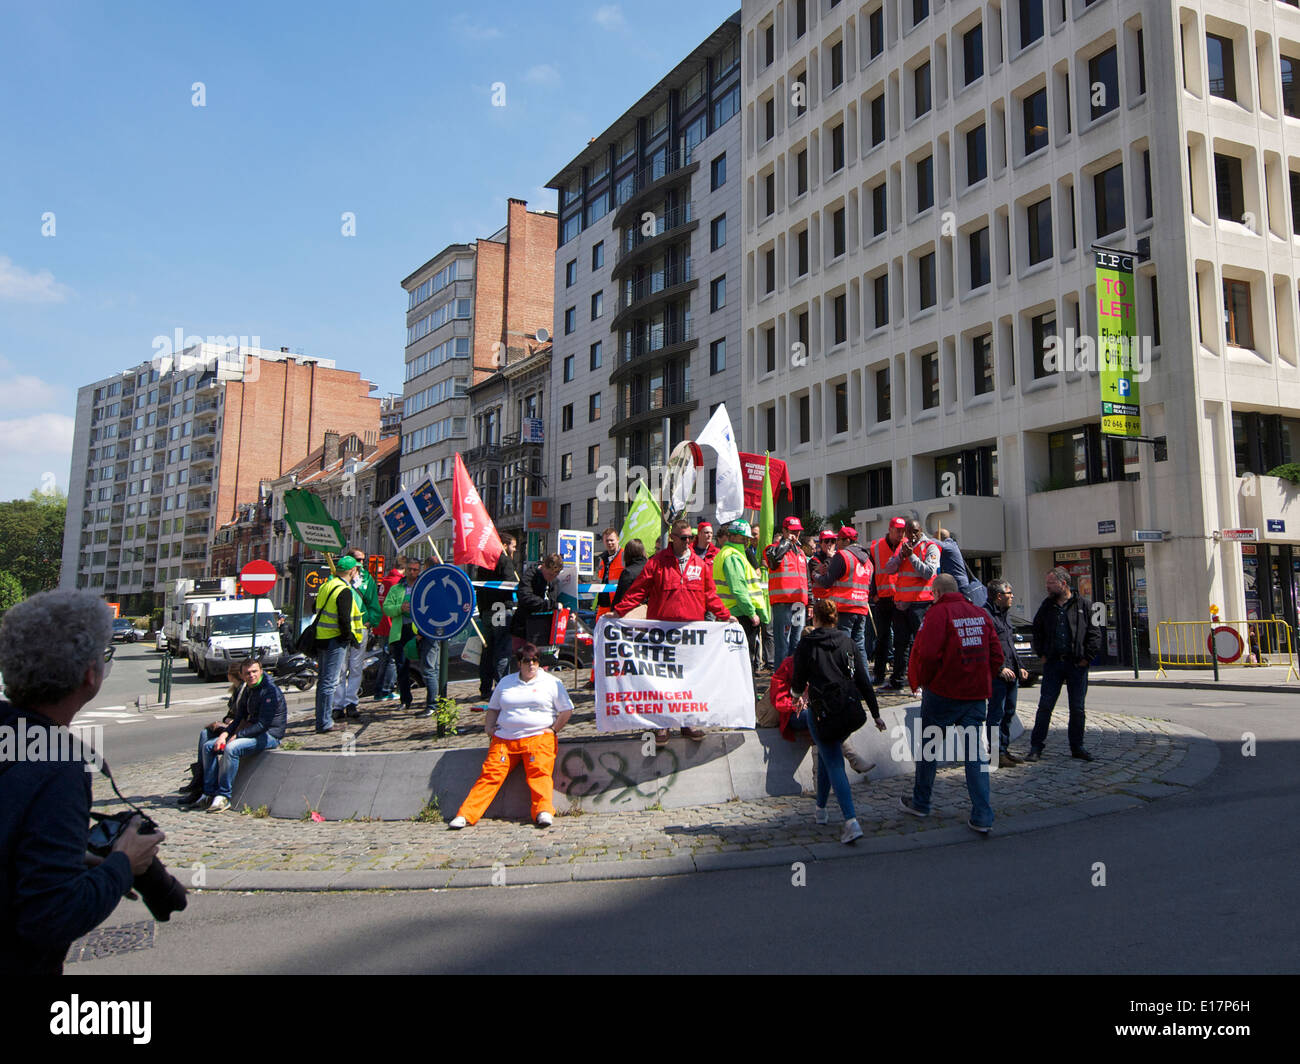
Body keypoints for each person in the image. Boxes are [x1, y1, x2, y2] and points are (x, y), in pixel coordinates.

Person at [0, 591, 166, 974]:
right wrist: (123, 864)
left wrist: (68, 859)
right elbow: (52, 917)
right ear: (90, 674)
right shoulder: (58, 765)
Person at [613, 517, 732, 744]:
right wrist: (619, 611)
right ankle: (663, 724)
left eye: (691, 538)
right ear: (673, 538)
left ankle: (688, 722)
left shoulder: (699, 564)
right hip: (662, 634)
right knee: (663, 682)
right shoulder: (657, 563)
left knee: (689, 679)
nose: (688, 542)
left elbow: (710, 596)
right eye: (684, 538)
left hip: (690, 635)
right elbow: (638, 590)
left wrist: (726, 616)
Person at [900, 574, 1003, 834]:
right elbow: (996, 654)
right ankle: (982, 814)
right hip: (975, 695)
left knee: (929, 749)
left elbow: (927, 654)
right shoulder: (980, 614)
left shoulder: (937, 614)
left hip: (943, 694)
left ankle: (921, 802)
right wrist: (984, 677)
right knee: (975, 755)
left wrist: (926, 682)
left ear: (936, 593)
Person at [790, 599, 886, 844]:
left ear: (815, 618)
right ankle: (821, 810)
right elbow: (862, 679)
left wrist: (795, 695)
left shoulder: (807, 644)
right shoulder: (847, 642)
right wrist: (876, 713)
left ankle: (851, 821)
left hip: (822, 711)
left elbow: (798, 680)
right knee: (826, 756)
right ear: (835, 618)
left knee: (833, 762)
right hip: (848, 709)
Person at [448, 643, 573, 829]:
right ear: (519, 663)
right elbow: (493, 708)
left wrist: (554, 730)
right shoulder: (506, 682)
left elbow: (567, 710)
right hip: (505, 739)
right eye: (527, 661)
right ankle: (466, 815)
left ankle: (543, 811)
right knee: (490, 775)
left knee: (539, 773)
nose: (531, 664)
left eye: (535, 660)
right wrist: (489, 728)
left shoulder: (551, 682)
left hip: (538, 737)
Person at [190, 658, 287, 812]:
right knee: (209, 746)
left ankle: (224, 796)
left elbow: (263, 725)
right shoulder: (248, 689)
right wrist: (224, 735)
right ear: (241, 675)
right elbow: (238, 718)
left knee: (232, 748)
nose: (251, 675)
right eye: (247, 673)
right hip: (250, 732)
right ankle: (208, 793)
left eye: (254, 671)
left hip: (269, 735)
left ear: (261, 671)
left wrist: (238, 736)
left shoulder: (269, 691)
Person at [1026, 567, 1102, 762]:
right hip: (1053, 664)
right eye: (1047, 583)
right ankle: (1036, 747)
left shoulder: (1085, 605)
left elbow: (1095, 634)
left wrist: (1086, 658)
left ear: (1063, 584)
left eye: (1051, 583)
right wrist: (1042, 654)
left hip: (1076, 665)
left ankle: (1077, 747)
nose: (1047, 586)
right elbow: (1037, 630)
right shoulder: (1047, 606)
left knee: (1077, 708)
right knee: (1045, 706)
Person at [812, 525, 876, 686]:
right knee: (859, 646)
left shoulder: (843, 556)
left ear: (847, 541)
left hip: (844, 607)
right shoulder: (867, 560)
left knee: (841, 647)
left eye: (838, 540)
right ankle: (864, 684)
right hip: (861, 607)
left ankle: (844, 684)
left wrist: (815, 575)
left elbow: (827, 581)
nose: (836, 544)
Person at [882, 518, 940, 690]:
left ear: (921, 530)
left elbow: (928, 572)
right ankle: (897, 680)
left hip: (921, 603)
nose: (912, 535)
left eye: (915, 531)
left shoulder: (930, 546)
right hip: (902, 604)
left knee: (921, 644)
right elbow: (889, 568)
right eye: (908, 532)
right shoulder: (903, 546)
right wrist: (901, 556)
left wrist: (911, 556)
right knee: (900, 644)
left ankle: (922, 681)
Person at [312, 555, 364, 733]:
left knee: (323, 682)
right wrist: (349, 637)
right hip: (335, 639)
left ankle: (321, 719)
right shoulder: (344, 590)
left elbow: (314, 608)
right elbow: (344, 619)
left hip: (321, 637)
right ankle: (325, 722)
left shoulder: (326, 585)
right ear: (352, 571)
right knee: (330, 682)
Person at [714, 519, 769, 670]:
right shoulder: (733, 556)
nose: (746, 541)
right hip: (740, 615)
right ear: (732, 536)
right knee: (743, 662)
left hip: (733, 613)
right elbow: (738, 590)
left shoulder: (730, 554)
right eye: (743, 538)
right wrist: (752, 613)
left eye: (747, 538)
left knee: (736, 661)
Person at [985, 579, 1029, 764]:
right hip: (997, 676)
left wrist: (1020, 666)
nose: (1012, 596)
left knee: (1009, 713)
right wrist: (1000, 669)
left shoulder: (1005, 615)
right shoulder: (986, 616)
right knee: (996, 714)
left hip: (1012, 672)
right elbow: (986, 649)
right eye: (1009, 593)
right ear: (999, 596)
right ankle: (996, 754)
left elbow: (1010, 645)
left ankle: (1003, 750)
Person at [333, 549, 379, 720]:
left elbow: (373, 603)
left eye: (362, 559)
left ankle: (351, 702)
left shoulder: (367, 579)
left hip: (360, 629)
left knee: (356, 667)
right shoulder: (336, 578)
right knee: (340, 667)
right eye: (357, 559)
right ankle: (338, 705)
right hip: (341, 629)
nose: (361, 563)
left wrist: (370, 622)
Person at [476, 533, 519, 699]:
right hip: (500, 608)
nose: (514, 550)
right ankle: (502, 688)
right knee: (502, 649)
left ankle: (485, 688)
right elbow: (510, 584)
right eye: (513, 546)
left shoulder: (484, 561)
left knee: (488, 650)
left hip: (486, 610)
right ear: (504, 545)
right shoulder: (504, 560)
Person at [766, 516, 809, 668]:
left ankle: (793, 676)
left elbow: (807, 579)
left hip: (799, 603)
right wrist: (785, 543)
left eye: (797, 532)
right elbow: (774, 560)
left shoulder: (801, 553)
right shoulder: (772, 548)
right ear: (784, 531)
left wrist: (809, 602)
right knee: (782, 644)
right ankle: (781, 676)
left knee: (796, 643)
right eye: (792, 531)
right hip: (782, 603)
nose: (795, 535)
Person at [382, 557, 422, 712]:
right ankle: (405, 699)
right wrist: (400, 608)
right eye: (409, 569)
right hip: (400, 631)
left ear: (419, 571)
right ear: (405, 570)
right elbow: (387, 608)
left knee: (427, 666)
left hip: (418, 631)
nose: (412, 572)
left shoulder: (423, 586)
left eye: (415, 570)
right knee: (401, 667)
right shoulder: (397, 588)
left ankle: (432, 700)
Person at [870, 517, 905, 682]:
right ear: (890, 529)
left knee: (900, 639)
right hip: (883, 599)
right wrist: (873, 594)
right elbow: (871, 571)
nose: (901, 533)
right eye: (898, 530)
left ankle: (898, 675)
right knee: (882, 638)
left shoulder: (906, 545)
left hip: (901, 598)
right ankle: (879, 674)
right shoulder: (876, 547)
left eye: (903, 530)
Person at [510, 553, 563, 652]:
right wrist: (550, 605)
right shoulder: (530, 575)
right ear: (543, 566)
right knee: (522, 658)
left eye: (555, 575)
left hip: (544, 631)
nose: (552, 578)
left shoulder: (554, 581)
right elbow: (525, 597)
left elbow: (556, 599)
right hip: (524, 628)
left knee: (544, 660)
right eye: (550, 574)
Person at [371, 566, 405, 701]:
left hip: (381, 625)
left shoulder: (385, 580)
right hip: (390, 626)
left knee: (385, 658)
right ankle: (386, 689)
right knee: (391, 659)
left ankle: (380, 691)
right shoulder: (397, 582)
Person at [936, 528, 987, 608]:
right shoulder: (951, 546)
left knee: (963, 605)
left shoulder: (950, 545)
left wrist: (925, 538)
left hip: (959, 583)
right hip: (955, 581)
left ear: (939, 537)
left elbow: (934, 543)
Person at [613, 538, 647, 606]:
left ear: (627, 554)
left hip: (632, 609)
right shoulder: (650, 568)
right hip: (650, 609)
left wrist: (613, 609)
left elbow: (620, 597)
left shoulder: (628, 572)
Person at [595, 527, 620, 611]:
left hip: (618, 604)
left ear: (617, 540)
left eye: (611, 540)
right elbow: (599, 580)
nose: (609, 543)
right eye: (607, 541)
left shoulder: (624, 556)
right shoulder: (601, 559)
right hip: (602, 603)